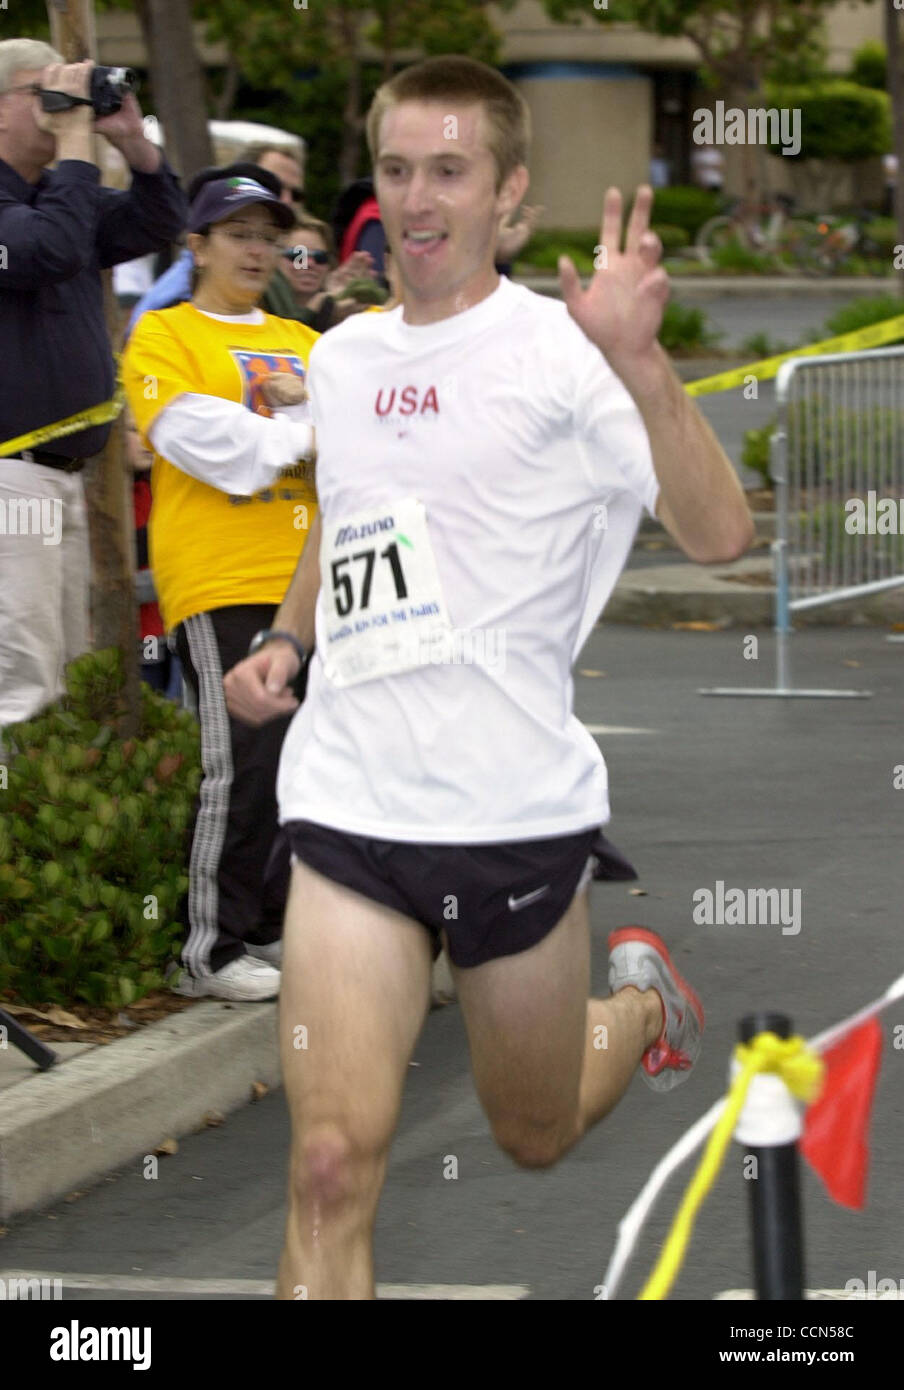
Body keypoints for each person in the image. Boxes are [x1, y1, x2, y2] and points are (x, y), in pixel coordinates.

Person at [223, 55, 754, 1299]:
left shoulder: (569, 356)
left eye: (449, 170)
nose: (418, 198)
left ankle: (630, 1006)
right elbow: (344, 521)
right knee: (328, 1164)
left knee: (533, 1130)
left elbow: (721, 535)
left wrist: (643, 363)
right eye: (398, 168)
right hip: (350, 806)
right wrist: (292, 639)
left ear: (509, 196)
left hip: (512, 813)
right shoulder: (344, 357)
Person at [122, 175, 319, 1002]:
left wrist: (304, 429)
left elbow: (364, 440)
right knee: (237, 759)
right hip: (222, 573)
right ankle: (207, 945)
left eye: (266, 235)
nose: (255, 250)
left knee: (302, 760)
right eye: (234, 233)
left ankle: (268, 923)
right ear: (194, 247)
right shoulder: (163, 336)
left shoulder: (306, 338)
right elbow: (203, 439)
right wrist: (304, 428)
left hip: (314, 578)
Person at [0, 40, 186, 731]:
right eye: (41, 90)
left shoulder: (59, 197)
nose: (60, 103)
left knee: (65, 669)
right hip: (9, 478)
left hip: (60, 478)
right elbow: (48, 248)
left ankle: (39, 829)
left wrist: (134, 144)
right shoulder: (36, 207)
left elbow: (162, 222)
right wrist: (77, 140)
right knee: (19, 678)